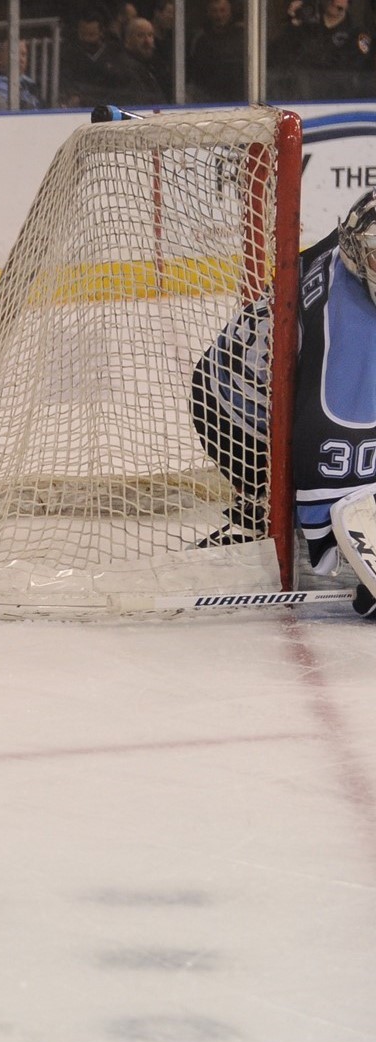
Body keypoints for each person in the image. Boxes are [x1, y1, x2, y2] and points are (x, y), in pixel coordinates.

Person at [191, 188, 376, 618]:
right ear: (354, 252)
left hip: (238, 379)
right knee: (330, 492)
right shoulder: (350, 332)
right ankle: (263, 515)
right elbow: (331, 450)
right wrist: (359, 558)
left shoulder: (351, 248)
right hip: (237, 417)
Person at [188, 0, 249, 102]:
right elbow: (196, 75)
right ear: (209, 13)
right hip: (210, 99)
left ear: (230, 12)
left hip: (240, 97)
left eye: (222, 10)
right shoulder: (201, 40)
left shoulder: (242, 36)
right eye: (215, 11)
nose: (219, 15)